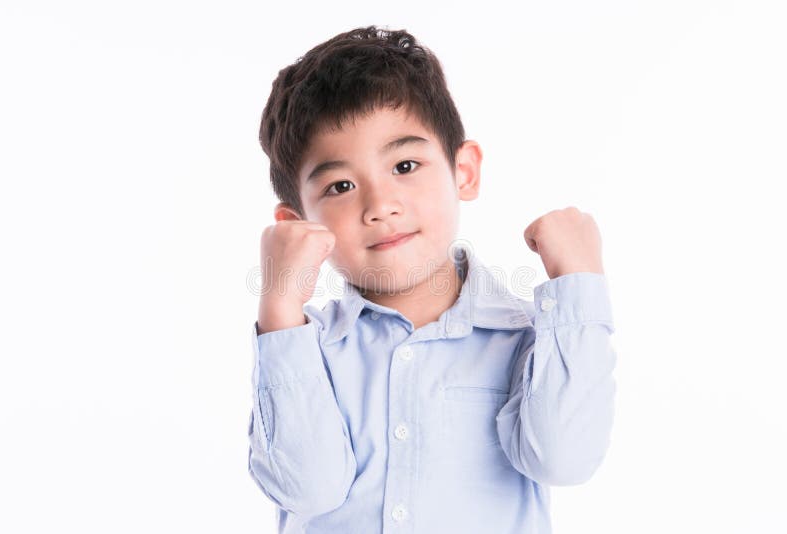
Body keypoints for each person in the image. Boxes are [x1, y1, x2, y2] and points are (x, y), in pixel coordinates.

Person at [248, 25, 616, 534]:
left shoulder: (528, 337)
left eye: (404, 164)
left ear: (462, 172)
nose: (380, 206)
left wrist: (578, 282)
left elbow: (565, 458)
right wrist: (280, 310)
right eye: (341, 185)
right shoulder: (305, 350)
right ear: (296, 226)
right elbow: (307, 489)